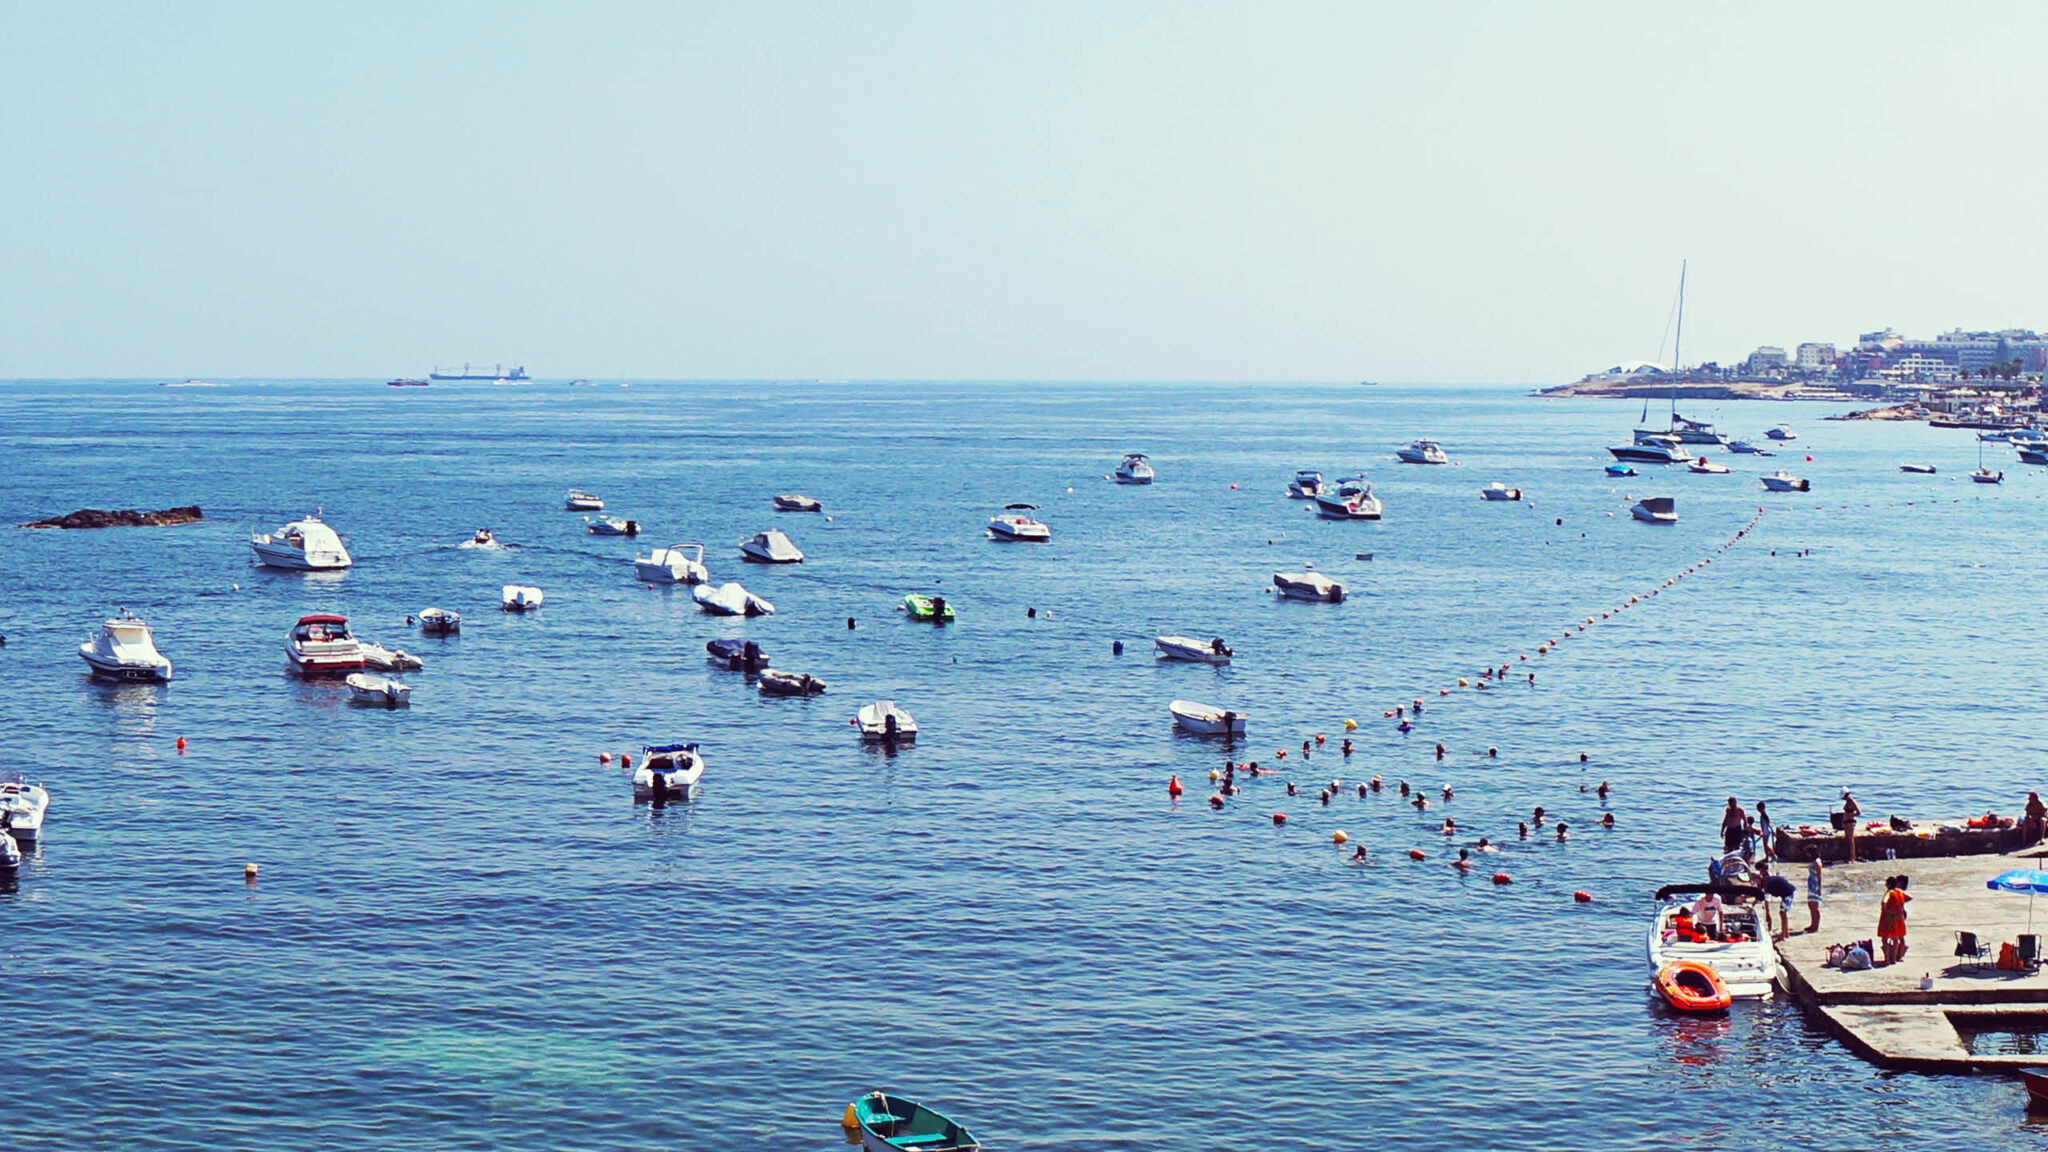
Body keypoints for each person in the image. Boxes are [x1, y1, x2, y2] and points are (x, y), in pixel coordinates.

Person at [1878, 876, 1912, 965]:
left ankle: (1887, 960)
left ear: (1888, 884)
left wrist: (1886, 910)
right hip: (1899, 917)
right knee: (1896, 938)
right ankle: (1894, 959)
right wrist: (1900, 904)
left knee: (1885, 939)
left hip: (1889, 918)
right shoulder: (1899, 892)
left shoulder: (1890, 892)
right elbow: (1910, 897)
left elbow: (1884, 902)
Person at [1758, 863, 1797, 942]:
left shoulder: (1765, 881)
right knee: (1783, 913)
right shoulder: (1766, 880)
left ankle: (1783, 935)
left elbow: (1761, 895)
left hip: (1788, 893)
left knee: (1783, 913)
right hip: (1785, 893)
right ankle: (1785, 933)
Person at [1841, 790, 1863, 863]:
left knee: (1851, 840)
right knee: (1848, 839)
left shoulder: (1852, 801)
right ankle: (1850, 856)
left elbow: (1859, 812)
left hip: (1850, 822)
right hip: (1846, 822)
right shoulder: (1848, 801)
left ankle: (1852, 858)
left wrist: (1850, 815)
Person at [1806, 857, 1824, 934]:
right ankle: (1812, 924)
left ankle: (1815, 926)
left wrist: (1819, 888)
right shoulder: (1814, 861)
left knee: (1815, 906)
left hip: (1815, 885)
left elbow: (1820, 875)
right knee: (1810, 905)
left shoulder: (1817, 862)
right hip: (1811, 885)